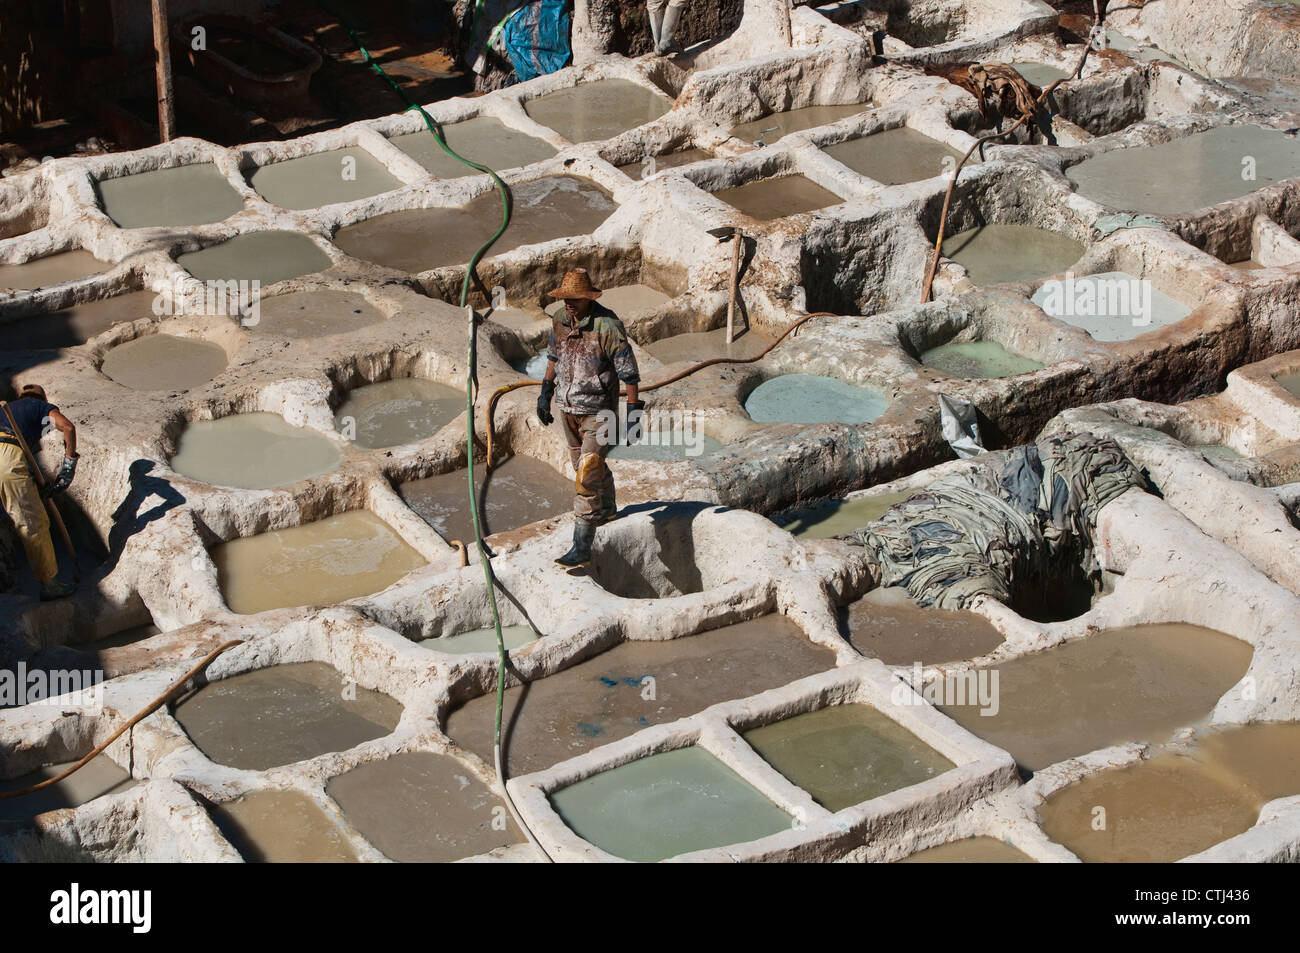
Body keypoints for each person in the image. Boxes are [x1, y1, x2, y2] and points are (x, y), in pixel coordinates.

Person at [536, 269, 643, 568]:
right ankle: (607, 508)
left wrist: (633, 414)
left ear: (587, 298)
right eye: (565, 298)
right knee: (582, 468)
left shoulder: (607, 326)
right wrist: (545, 390)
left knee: (586, 477)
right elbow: (554, 356)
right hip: (567, 408)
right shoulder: (559, 320)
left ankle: (581, 546)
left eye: (575, 298)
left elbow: (629, 372)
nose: (569, 303)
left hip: (599, 412)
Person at [0, 384, 78, 600]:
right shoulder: (37, 406)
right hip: (7, 459)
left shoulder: (9, 412)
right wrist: (68, 467)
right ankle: (50, 584)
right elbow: (68, 428)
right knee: (33, 523)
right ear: (42, 398)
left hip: (7, 457)